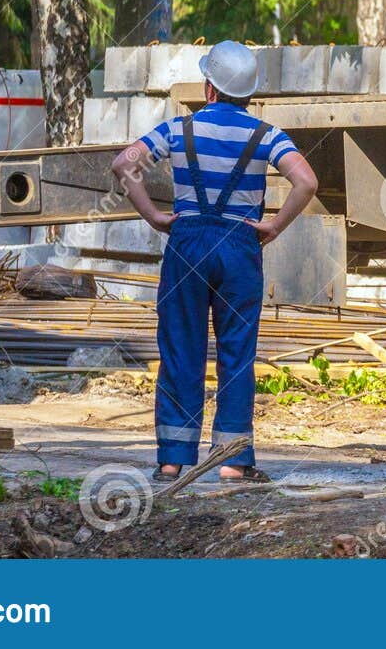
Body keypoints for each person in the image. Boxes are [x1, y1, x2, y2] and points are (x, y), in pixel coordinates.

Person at [111, 40, 318, 483]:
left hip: (187, 243)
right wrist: (274, 226)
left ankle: (171, 460)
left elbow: (123, 164)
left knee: (180, 348)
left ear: (209, 88)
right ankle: (233, 461)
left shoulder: (177, 129)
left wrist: (153, 216)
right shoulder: (266, 135)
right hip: (239, 247)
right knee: (236, 353)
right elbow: (306, 182)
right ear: (249, 93)